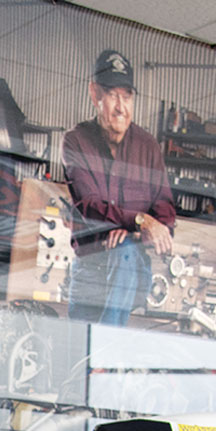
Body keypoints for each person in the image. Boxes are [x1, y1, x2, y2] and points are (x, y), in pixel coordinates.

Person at [61, 49, 176, 326]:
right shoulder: (75, 142)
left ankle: (107, 352)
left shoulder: (147, 146)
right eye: (113, 95)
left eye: (127, 96)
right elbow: (89, 206)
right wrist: (138, 219)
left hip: (131, 264)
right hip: (90, 269)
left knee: (123, 247)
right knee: (76, 353)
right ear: (95, 93)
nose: (120, 107)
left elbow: (165, 216)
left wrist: (131, 233)